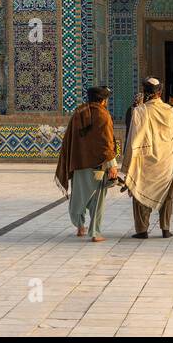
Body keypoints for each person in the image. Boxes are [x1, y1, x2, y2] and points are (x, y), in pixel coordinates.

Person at [54, 86, 119, 242]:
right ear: (103, 100)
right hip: (97, 166)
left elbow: (69, 139)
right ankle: (95, 233)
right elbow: (106, 142)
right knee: (97, 200)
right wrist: (113, 165)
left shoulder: (78, 113)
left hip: (78, 163)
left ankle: (79, 226)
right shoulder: (103, 115)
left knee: (78, 197)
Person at [122, 77, 173, 239]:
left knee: (140, 192)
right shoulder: (170, 111)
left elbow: (133, 137)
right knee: (166, 195)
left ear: (145, 93)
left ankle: (142, 230)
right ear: (160, 93)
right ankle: (165, 228)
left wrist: (135, 107)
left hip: (145, 162)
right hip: (164, 163)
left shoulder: (140, 111)